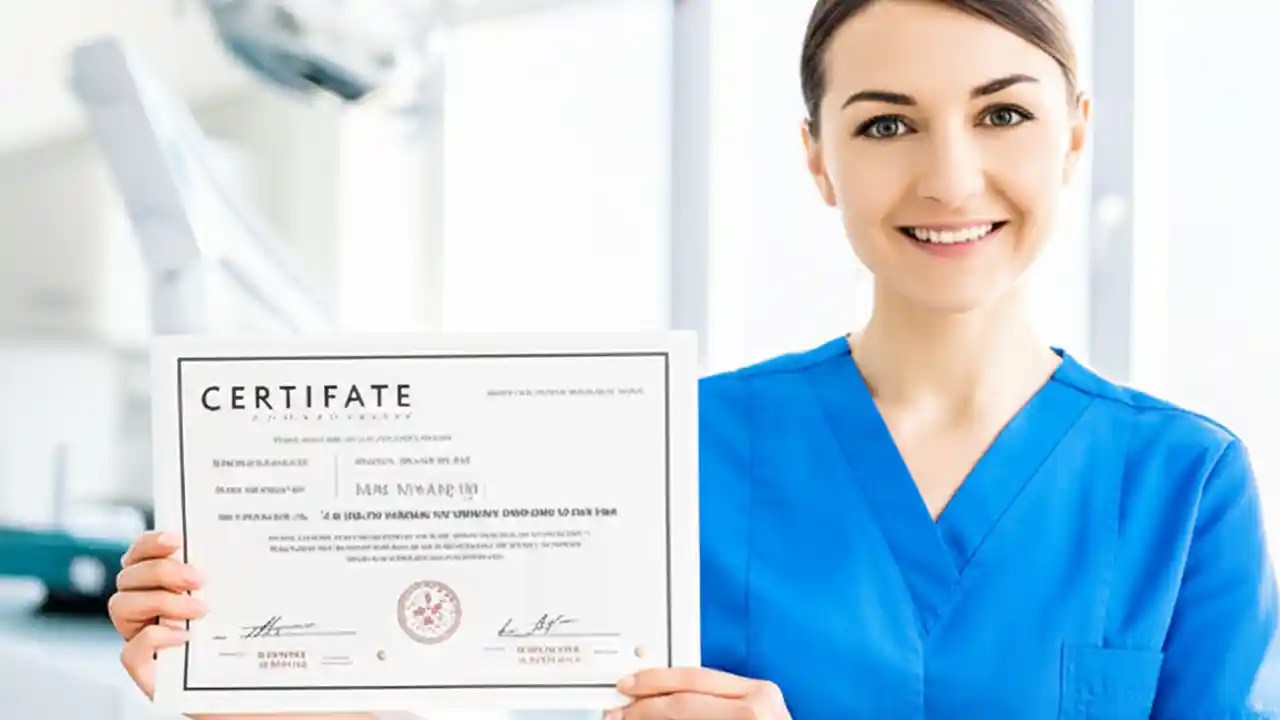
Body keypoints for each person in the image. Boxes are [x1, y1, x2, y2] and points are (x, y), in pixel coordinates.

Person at [109, 0, 1280, 718]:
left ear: (1072, 134)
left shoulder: (1182, 484)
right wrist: (270, 673)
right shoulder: (669, 448)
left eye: (1002, 114)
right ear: (817, 158)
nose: (950, 177)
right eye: (882, 123)